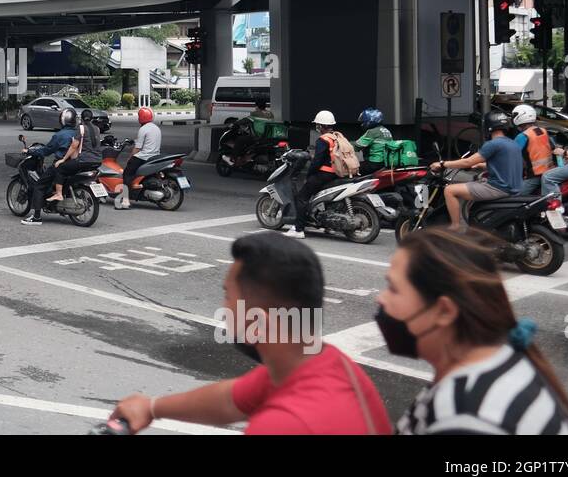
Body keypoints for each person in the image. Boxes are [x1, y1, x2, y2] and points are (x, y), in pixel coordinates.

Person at [109, 233, 391, 435]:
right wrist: (152, 407)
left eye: (227, 297)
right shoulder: (326, 363)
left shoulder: (283, 425)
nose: (223, 309)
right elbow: (229, 399)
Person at [378, 229, 568, 434]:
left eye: (393, 289)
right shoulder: (492, 367)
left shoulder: (467, 417)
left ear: (444, 311)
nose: (381, 298)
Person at [429, 110, 522, 230]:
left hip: (498, 188)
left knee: (449, 190)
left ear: (488, 126)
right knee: (476, 181)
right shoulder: (512, 143)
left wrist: (442, 164)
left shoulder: (492, 144)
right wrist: (481, 166)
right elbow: (504, 165)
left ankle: (456, 227)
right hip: (514, 187)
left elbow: (467, 161)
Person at [283, 110, 340, 239]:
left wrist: (309, 174)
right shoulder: (336, 137)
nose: (317, 127)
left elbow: (317, 161)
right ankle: (329, 226)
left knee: (302, 197)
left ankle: (298, 229)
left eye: (318, 125)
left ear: (320, 125)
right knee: (323, 198)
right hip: (335, 174)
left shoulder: (323, 140)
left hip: (324, 174)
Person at [21, 108, 80, 226]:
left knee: (39, 185)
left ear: (62, 120)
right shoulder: (77, 133)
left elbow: (46, 151)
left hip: (61, 164)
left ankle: (36, 217)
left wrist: (30, 151)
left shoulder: (59, 135)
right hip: (76, 164)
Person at [511, 103, 555, 195]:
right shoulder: (543, 131)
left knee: (514, 197)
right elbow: (552, 148)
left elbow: (509, 154)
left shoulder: (523, 136)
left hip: (535, 176)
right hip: (549, 171)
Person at [125, 106, 161, 193]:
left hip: (143, 157)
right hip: (155, 156)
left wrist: (129, 158)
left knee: (127, 173)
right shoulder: (156, 128)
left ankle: (125, 198)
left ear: (141, 117)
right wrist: (133, 141)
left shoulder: (143, 129)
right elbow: (148, 140)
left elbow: (137, 148)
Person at [354, 107, 392, 174]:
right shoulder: (386, 130)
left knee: (351, 168)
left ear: (370, 120)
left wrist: (343, 145)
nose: (362, 123)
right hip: (385, 162)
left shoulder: (372, 132)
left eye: (363, 121)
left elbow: (357, 146)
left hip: (374, 163)